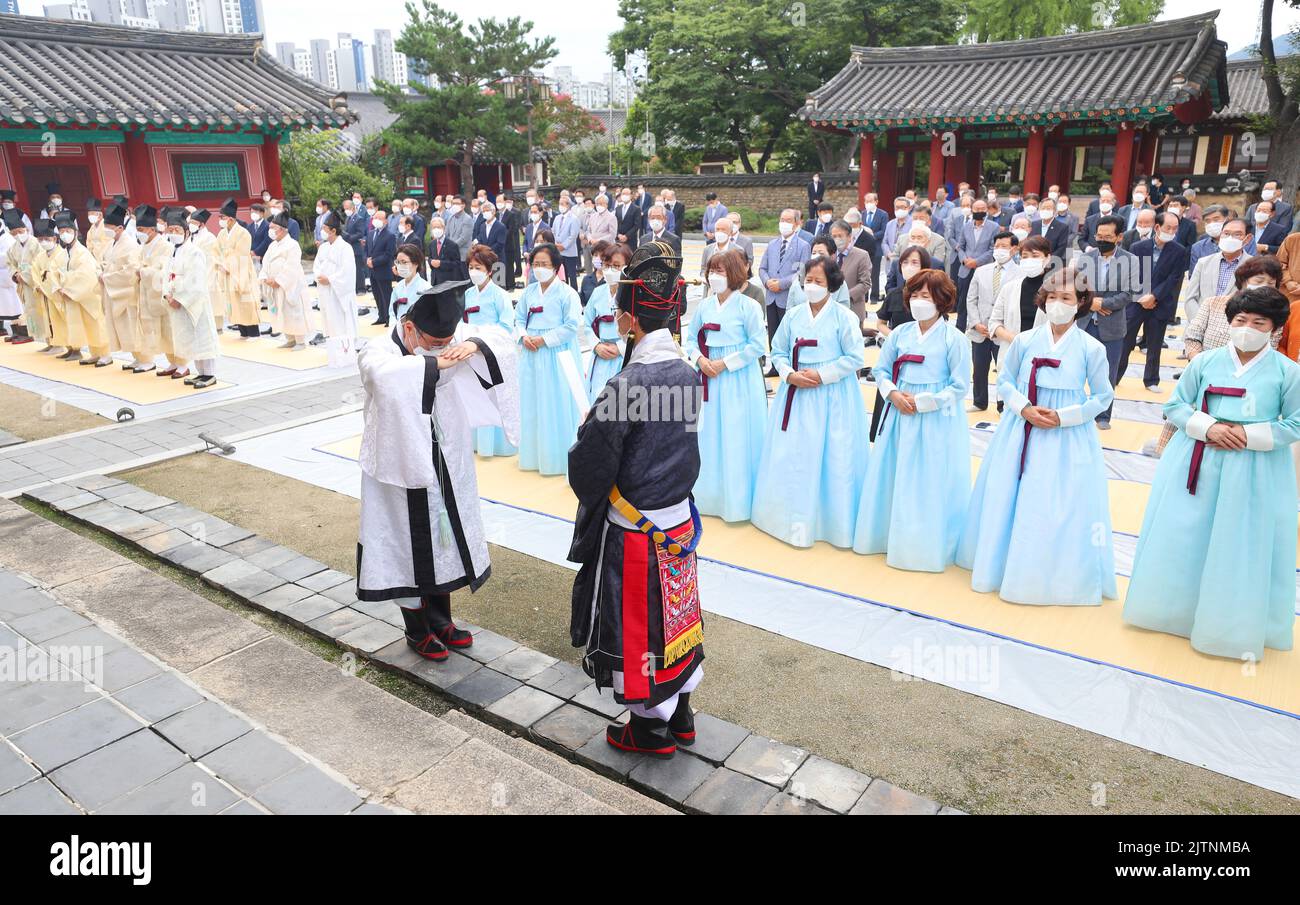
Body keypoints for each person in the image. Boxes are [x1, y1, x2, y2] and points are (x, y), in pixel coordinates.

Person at [567, 240, 704, 757]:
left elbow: (590, 465)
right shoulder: (686, 374)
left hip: (637, 529)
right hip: (678, 525)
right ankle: (683, 713)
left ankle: (649, 729)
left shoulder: (628, 383)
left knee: (640, 625)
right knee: (680, 616)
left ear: (628, 320)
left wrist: (588, 433)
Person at [1124, 287, 1300, 660]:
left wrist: (1247, 434)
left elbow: (1295, 423)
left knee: (1238, 542)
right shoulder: (1204, 362)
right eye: (1240, 320)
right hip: (1197, 458)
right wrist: (1207, 427)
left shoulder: (1288, 372)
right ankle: (1173, 613)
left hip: (1252, 466)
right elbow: (1175, 404)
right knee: (1186, 532)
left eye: (1258, 323)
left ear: (1274, 329)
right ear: (1229, 322)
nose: (1247, 328)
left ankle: (1228, 625)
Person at [356, 280, 518, 661]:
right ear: (410, 327)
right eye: (432, 343)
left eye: (446, 343)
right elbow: (380, 375)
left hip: (446, 451)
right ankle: (417, 629)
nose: (441, 349)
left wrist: (475, 345)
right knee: (406, 542)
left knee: (444, 534)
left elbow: (501, 337)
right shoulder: (379, 347)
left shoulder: (447, 336)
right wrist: (430, 364)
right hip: (399, 461)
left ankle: (441, 618)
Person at [957, 265, 1116, 605]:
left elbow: (1103, 396)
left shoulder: (1091, 348)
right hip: (1022, 427)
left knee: (1060, 499)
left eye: (1067, 298)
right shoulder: (1025, 341)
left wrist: (1064, 416)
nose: (1059, 303)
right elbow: (1005, 381)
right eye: (1053, 297)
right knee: (1012, 492)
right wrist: (1024, 408)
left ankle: (1056, 572)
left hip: (1067, 434)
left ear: (1081, 302)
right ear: (1043, 300)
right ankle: (1004, 564)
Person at [854, 269, 970, 570]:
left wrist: (923, 402)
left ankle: (922, 544)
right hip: (898, 410)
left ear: (942, 300)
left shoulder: (954, 339)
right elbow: (880, 370)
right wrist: (892, 394)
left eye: (927, 296)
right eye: (915, 294)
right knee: (893, 471)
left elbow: (959, 386)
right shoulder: (902, 333)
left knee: (926, 477)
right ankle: (886, 535)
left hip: (933, 417)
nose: (919, 301)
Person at [751, 255, 869, 548]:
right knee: (792, 452)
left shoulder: (845, 318)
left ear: (832, 285)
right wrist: (789, 374)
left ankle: (830, 521)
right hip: (796, 392)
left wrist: (821, 374)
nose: (812, 286)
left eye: (819, 281)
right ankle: (783, 514)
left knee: (831, 455)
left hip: (832, 396)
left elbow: (855, 358)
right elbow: (777, 350)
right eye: (809, 280)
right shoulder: (793, 315)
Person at [1152, 256, 1284, 457]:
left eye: (1270, 283)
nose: (1264, 286)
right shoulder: (1214, 304)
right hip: (1204, 380)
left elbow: (1270, 349)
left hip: (1246, 387)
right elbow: (1192, 336)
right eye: (1259, 281)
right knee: (1184, 445)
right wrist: (1201, 363)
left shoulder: (1273, 318)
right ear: (1244, 281)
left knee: (1230, 444)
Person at [686, 248, 767, 522]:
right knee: (708, 434)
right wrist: (700, 358)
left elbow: (758, 345)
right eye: (711, 271)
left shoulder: (749, 306)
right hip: (707, 377)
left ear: (733, 273)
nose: (714, 276)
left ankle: (737, 501)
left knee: (735, 435)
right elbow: (690, 338)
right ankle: (707, 495)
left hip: (737, 379)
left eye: (720, 271)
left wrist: (724, 363)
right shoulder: (706, 305)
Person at [515, 243, 585, 476]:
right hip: (531, 354)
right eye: (535, 264)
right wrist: (524, 336)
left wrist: (544, 340)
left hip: (556, 354)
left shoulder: (568, 294)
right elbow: (518, 320)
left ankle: (557, 459)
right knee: (532, 404)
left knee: (556, 404)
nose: (539, 269)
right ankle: (533, 456)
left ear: (556, 266)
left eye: (544, 264)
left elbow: (572, 326)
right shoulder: (528, 292)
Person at [1075, 216, 1136, 430]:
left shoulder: (1131, 260)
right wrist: (1091, 303)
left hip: (1112, 324)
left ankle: (1103, 415)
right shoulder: (1086, 258)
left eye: (1107, 237)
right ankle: (1077, 409)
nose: (1102, 240)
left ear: (1119, 237)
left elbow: (1129, 293)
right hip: (1084, 323)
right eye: (1099, 236)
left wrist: (1103, 303)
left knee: (1107, 372)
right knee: (1076, 369)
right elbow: (1077, 288)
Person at [1121, 212, 1188, 391]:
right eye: (1168, 228)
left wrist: (1154, 296)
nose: (1172, 231)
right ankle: (1115, 376)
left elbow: (1174, 278)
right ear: (1157, 227)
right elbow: (1131, 274)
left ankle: (1151, 380)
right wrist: (1142, 296)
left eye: (1175, 228)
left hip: (1160, 302)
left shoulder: (1179, 251)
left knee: (1155, 344)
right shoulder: (1138, 247)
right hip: (1136, 302)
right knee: (1126, 342)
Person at [159, 208, 219, 388]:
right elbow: (166, 275)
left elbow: (196, 281)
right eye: (170, 230)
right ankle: (200, 373)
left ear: (186, 231)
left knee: (202, 338)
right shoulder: (172, 252)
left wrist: (179, 298)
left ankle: (209, 374)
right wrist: (167, 294)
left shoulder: (194, 252)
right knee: (191, 340)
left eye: (177, 230)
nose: (173, 234)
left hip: (194, 303)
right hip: (177, 302)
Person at [965, 231, 1024, 412]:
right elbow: (971, 299)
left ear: (1014, 249)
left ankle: (1002, 404)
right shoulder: (981, 271)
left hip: (1003, 331)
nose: (999, 250)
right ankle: (979, 401)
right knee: (979, 368)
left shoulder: (1021, 273)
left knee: (1005, 369)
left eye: (1004, 247)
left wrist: (1000, 327)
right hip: (980, 329)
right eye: (997, 246)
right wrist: (975, 323)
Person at [43, 212, 109, 367]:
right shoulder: (64, 253)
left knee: (95, 322)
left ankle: (105, 354)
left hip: (87, 295)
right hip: (70, 293)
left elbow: (85, 275)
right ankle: (95, 353)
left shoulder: (82, 252)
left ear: (75, 232)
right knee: (85, 325)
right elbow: (53, 270)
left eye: (68, 231)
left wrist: (67, 285)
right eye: (62, 231)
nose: (65, 234)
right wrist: (58, 286)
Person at [1183, 217, 1250, 335]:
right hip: (1198, 331)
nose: (1230, 238)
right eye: (1226, 233)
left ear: (1247, 239)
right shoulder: (1203, 262)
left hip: (1232, 333)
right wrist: (1200, 323)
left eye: (1237, 235)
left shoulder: (1254, 266)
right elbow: (1190, 298)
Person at [758, 209, 812, 349]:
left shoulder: (803, 246)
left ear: (796, 224)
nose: (784, 223)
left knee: (787, 334)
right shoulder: (772, 244)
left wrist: (781, 284)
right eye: (782, 220)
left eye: (788, 221)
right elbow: (762, 268)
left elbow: (801, 273)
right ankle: (774, 367)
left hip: (789, 297)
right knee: (772, 333)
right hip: (771, 296)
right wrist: (767, 281)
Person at [582, 242, 629, 403]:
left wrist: (621, 348)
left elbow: (641, 331)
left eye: (616, 266)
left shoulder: (634, 296)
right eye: (607, 265)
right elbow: (587, 323)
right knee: (596, 401)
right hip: (600, 356)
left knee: (619, 404)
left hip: (623, 359)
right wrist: (596, 345)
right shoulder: (598, 292)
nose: (610, 271)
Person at [98, 201, 142, 369]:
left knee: (132, 326)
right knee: (123, 327)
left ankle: (145, 359)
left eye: (109, 227)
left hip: (127, 293)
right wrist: (102, 272)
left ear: (120, 228)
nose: (106, 230)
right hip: (113, 292)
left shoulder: (130, 245)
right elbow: (104, 262)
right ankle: (136, 358)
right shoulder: (110, 244)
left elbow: (131, 271)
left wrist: (107, 277)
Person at [260, 211, 312, 350]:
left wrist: (278, 280)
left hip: (290, 286)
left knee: (294, 311)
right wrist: (265, 277)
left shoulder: (292, 245)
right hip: (274, 285)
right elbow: (265, 262)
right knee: (281, 312)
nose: (270, 231)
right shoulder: (272, 245)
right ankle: (289, 339)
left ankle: (300, 341)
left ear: (282, 230)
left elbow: (292, 266)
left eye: (273, 228)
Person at [312, 210, 359, 367]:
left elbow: (347, 272)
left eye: (325, 228)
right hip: (326, 291)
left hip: (339, 292)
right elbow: (317, 265)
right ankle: (334, 350)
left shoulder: (345, 248)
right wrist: (319, 276)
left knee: (341, 321)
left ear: (333, 230)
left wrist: (330, 279)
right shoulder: (323, 248)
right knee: (330, 321)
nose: (322, 231)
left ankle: (345, 351)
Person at [214, 198, 260, 339]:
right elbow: (216, 251)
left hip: (242, 272)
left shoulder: (243, 233)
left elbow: (241, 254)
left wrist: (227, 265)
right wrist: (219, 263)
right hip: (227, 273)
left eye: (222, 217)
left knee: (246, 303)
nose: (220, 220)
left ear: (231, 219)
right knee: (234, 303)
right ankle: (242, 331)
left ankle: (253, 333)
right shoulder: (222, 234)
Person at [953, 199, 998, 332]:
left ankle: (979, 327)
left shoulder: (993, 227)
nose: (979, 211)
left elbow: (992, 249)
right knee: (963, 301)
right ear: (972, 210)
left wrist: (977, 261)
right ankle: (959, 329)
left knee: (982, 299)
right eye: (976, 209)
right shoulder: (966, 226)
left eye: (982, 209)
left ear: (987, 210)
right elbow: (960, 246)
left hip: (984, 268)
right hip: (966, 268)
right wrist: (964, 260)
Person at [133, 206, 169, 373]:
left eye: (141, 230)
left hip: (159, 295)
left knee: (167, 328)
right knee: (145, 326)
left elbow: (164, 271)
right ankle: (147, 359)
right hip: (144, 293)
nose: (138, 233)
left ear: (152, 229)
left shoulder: (164, 246)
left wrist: (143, 271)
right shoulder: (143, 246)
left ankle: (178, 363)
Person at [2, 210, 37, 345]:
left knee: (33, 309)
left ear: (26, 229)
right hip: (20, 282)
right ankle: (22, 332)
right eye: (14, 233)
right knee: (24, 307)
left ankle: (29, 333)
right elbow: (10, 262)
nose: (18, 235)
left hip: (32, 281)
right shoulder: (15, 246)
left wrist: (25, 275)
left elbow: (39, 263)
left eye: (20, 231)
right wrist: (15, 274)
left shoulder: (34, 243)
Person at [390, 244, 432, 323]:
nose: (400, 266)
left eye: (404, 262)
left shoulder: (426, 288)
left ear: (416, 263)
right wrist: (394, 328)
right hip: (398, 330)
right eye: (398, 262)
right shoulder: (398, 287)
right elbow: (392, 312)